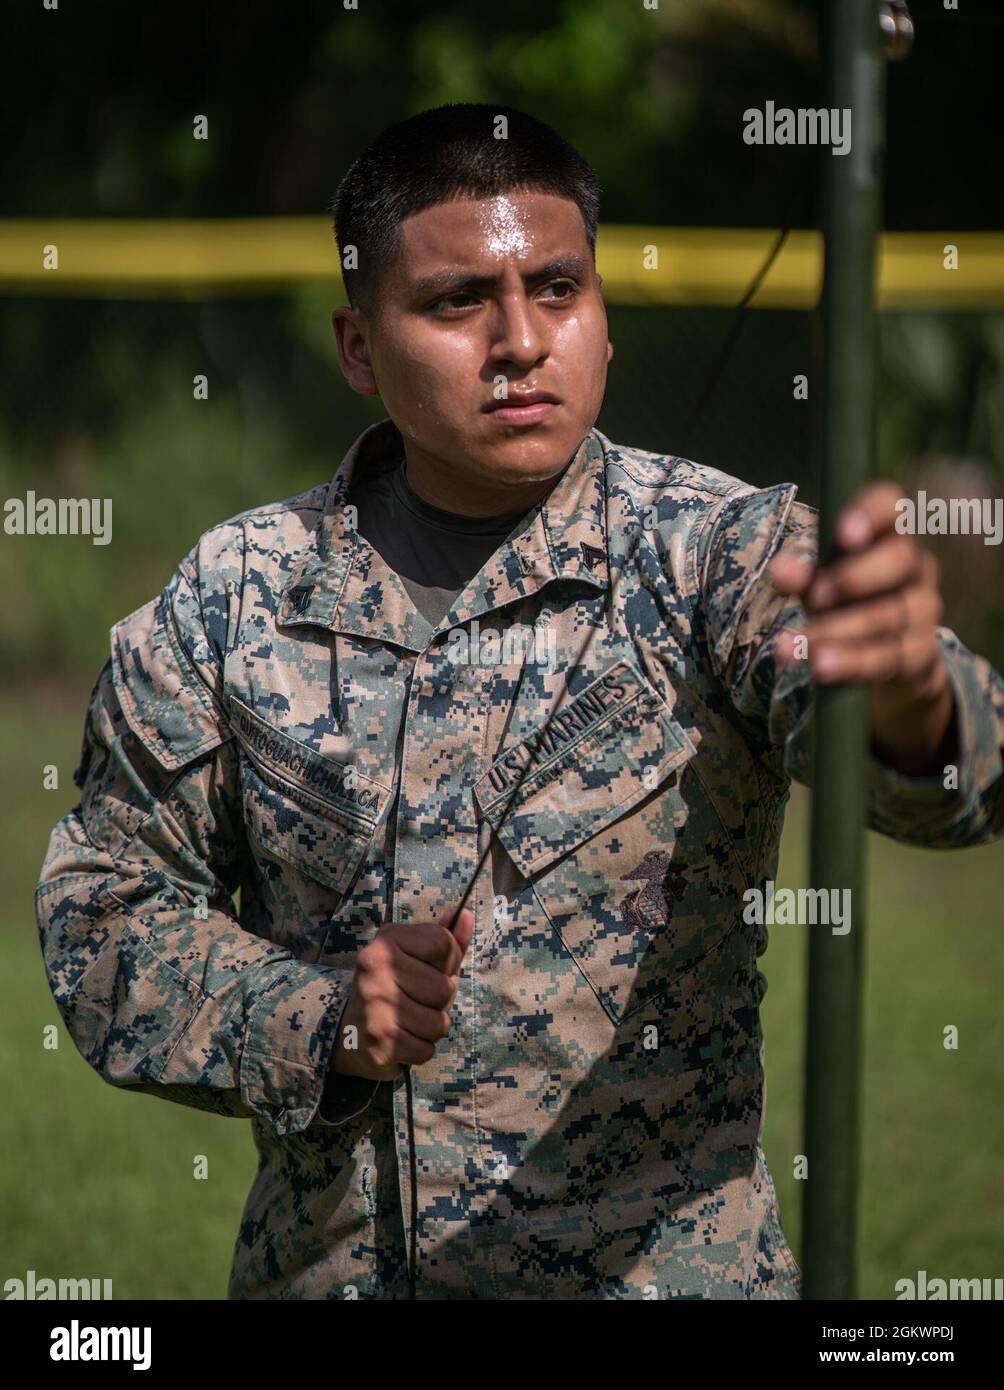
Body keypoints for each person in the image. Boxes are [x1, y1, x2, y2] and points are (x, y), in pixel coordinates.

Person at [35, 103, 1004, 1301]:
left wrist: (908, 692)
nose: (518, 340)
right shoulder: (239, 593)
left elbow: (956, 768)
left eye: (557, 288)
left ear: (602, 316)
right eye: (454, 302)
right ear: (356, 344)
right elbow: (104, 910)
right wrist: (318, 1014)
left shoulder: (719, 555)